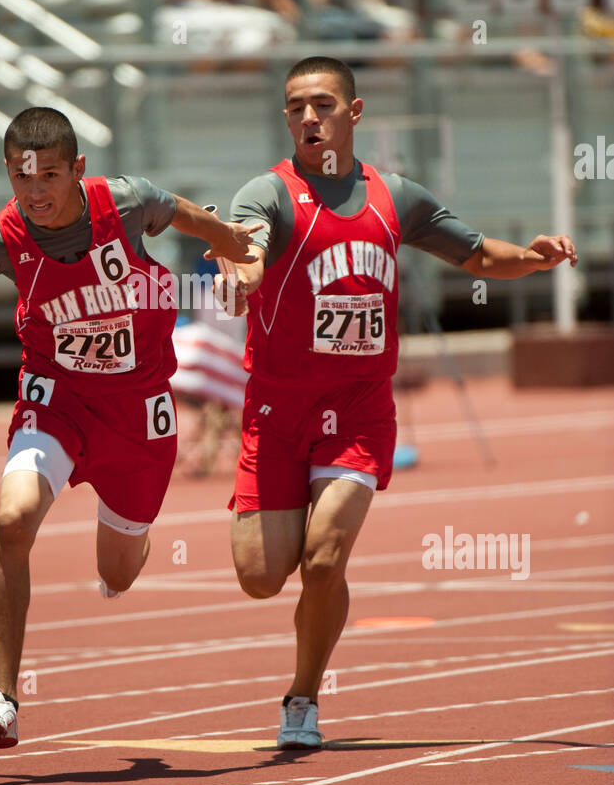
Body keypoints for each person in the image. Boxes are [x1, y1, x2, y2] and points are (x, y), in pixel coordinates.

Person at [0, 106, 258, 748]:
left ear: (77, 170)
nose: (34, 193)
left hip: (139, 417)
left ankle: (132, 542)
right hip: (54, 403)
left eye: (49, 177)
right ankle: (3, 697)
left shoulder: (128, 202)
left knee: (116, 575)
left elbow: (204, 224)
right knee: (12, 520)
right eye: (20, 178)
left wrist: (242, 254)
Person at [219, 55, 578, 749]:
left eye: (321, 104)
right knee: (261, 577)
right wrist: (241, 269)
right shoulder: (266, 194)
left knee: (323, 561)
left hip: (358, 408)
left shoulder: (395, 197)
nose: (306, 118)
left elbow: (474, 254)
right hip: (277, 409)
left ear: (353, 114)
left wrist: (529, 259)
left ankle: (302, 697)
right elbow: (249, 246)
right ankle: (306, 576)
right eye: (294, 107)